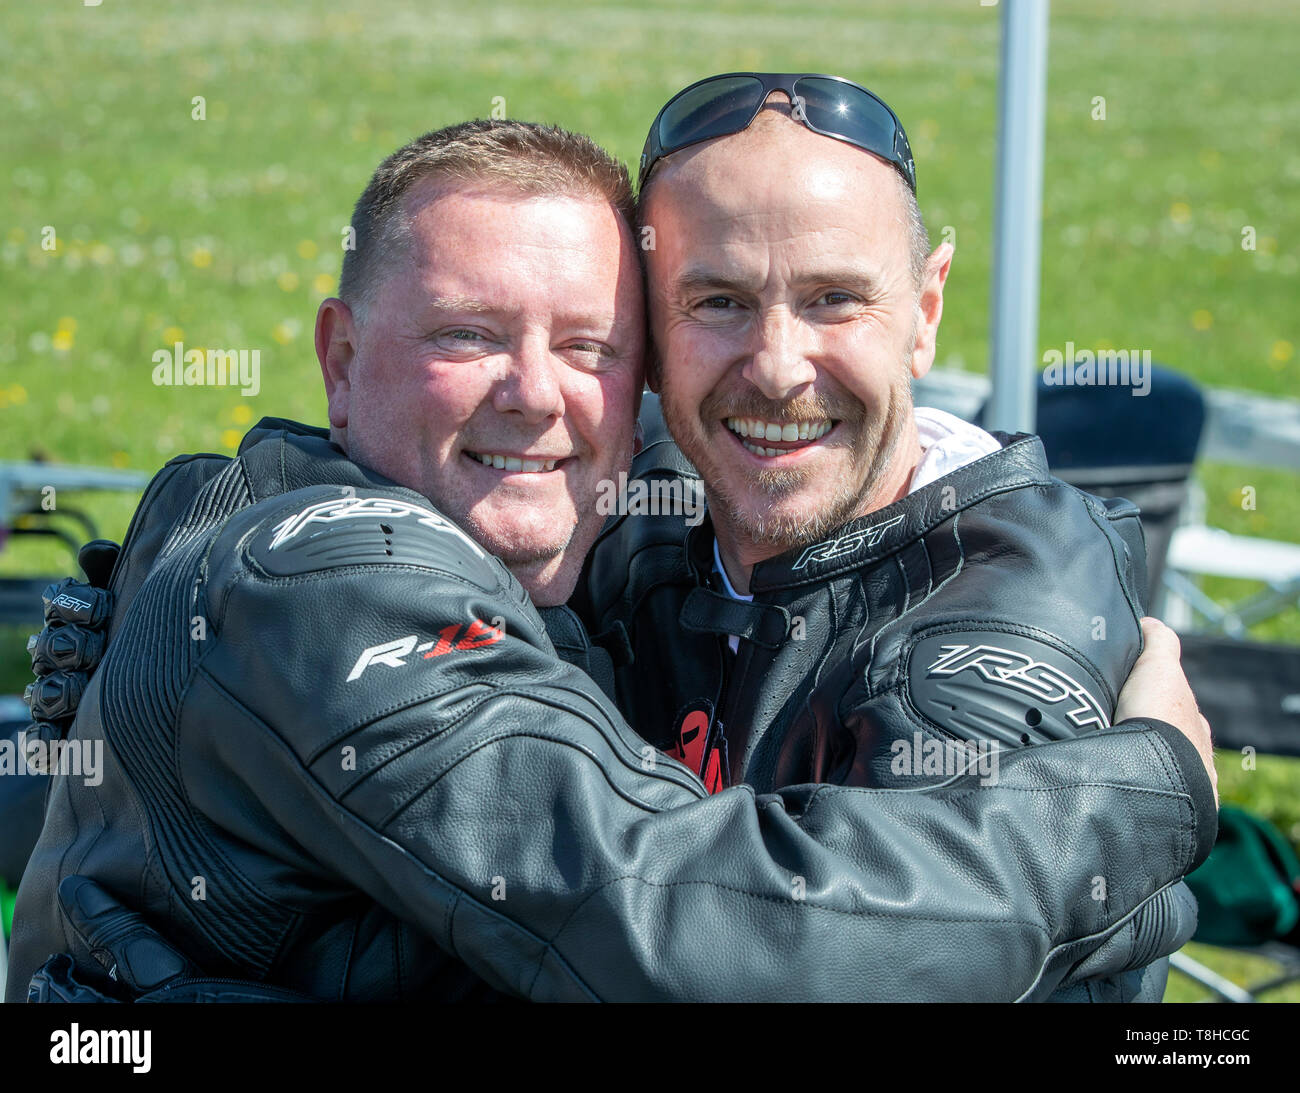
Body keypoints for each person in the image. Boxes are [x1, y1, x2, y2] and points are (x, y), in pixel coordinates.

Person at [8, 119, 1214, 1003]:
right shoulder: (326, 578)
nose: (538, 394)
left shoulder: (555, 525)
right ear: (340, 356)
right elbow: (683, 924)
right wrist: (1143, 801)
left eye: (589, 343)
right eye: (465, 334)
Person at [574, 73, 1218, 999]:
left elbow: (834, 963)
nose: (777, 365)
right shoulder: (642, 510)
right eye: (717, 301)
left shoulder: (1004, 620)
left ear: (926, 309)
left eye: (835, 298)